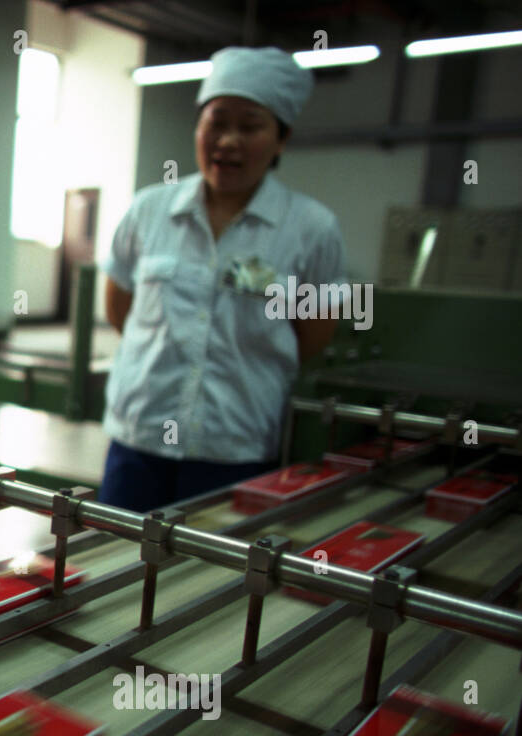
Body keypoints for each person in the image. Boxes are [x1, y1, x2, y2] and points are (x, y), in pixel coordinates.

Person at [97, 46, 347, 512]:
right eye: (217, 122)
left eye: (250, 126)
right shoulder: (149, 211)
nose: (228, 141)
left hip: (236, 445)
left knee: (211, 579)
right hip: (139, 437)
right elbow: (119, 308)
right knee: (117, 568)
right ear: (198, 128)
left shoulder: (312, 229)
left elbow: (312, 336)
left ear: (281, 138)